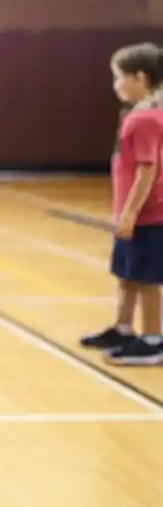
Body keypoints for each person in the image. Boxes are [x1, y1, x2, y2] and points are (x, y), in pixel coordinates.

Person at [80, 42, 163, 366]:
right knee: (127, 274)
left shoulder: (143, 119)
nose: (115, 85)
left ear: (140, 77)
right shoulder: (141, 115)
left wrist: (130, 212)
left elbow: (148, 169)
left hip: (147, 215)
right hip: (134, 213)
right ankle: (124, 328)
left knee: (146, 279)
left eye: (119, 78)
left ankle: (154, 340)